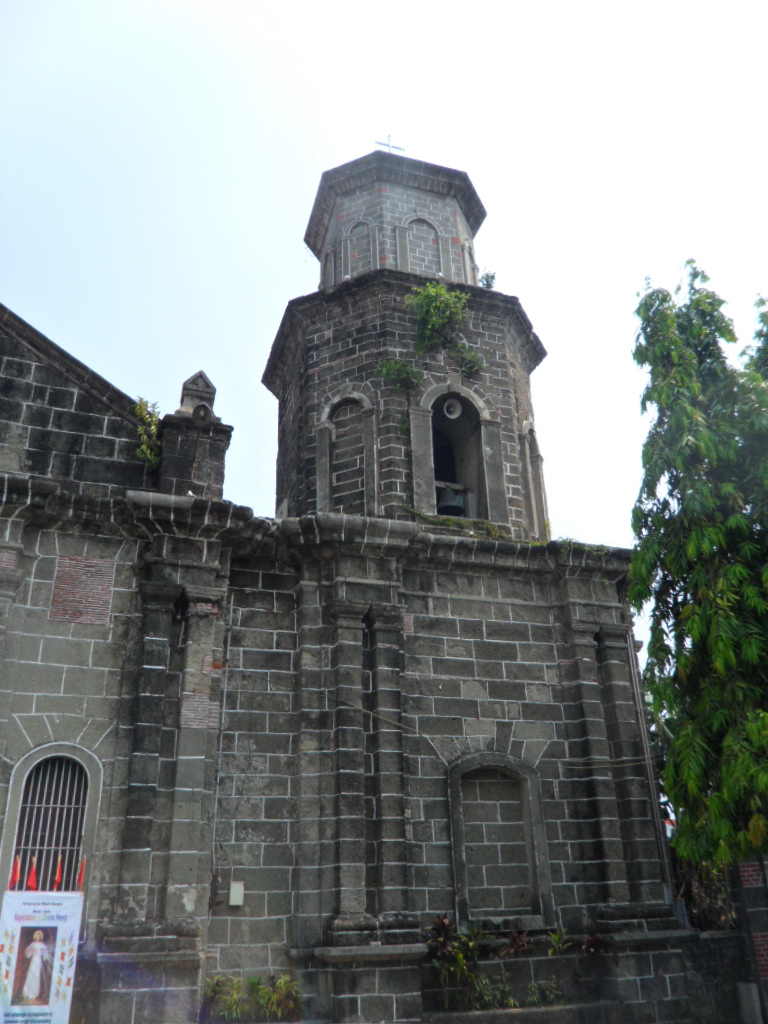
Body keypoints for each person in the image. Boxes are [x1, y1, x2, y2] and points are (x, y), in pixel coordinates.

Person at [20, 929, 52, 1003]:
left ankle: (34, 994)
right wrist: (32, 951)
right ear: (35, 936)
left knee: (36, 976)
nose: (38, 937)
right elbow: (27, 952)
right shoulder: (33, 944)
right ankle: (27, 992)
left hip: (38, 961)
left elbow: (46, 954)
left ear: (40, 937)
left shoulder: (42, 945)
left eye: (39, 936)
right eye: (37, 936)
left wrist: (42, 952)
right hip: (33, 960)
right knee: (30, 974)